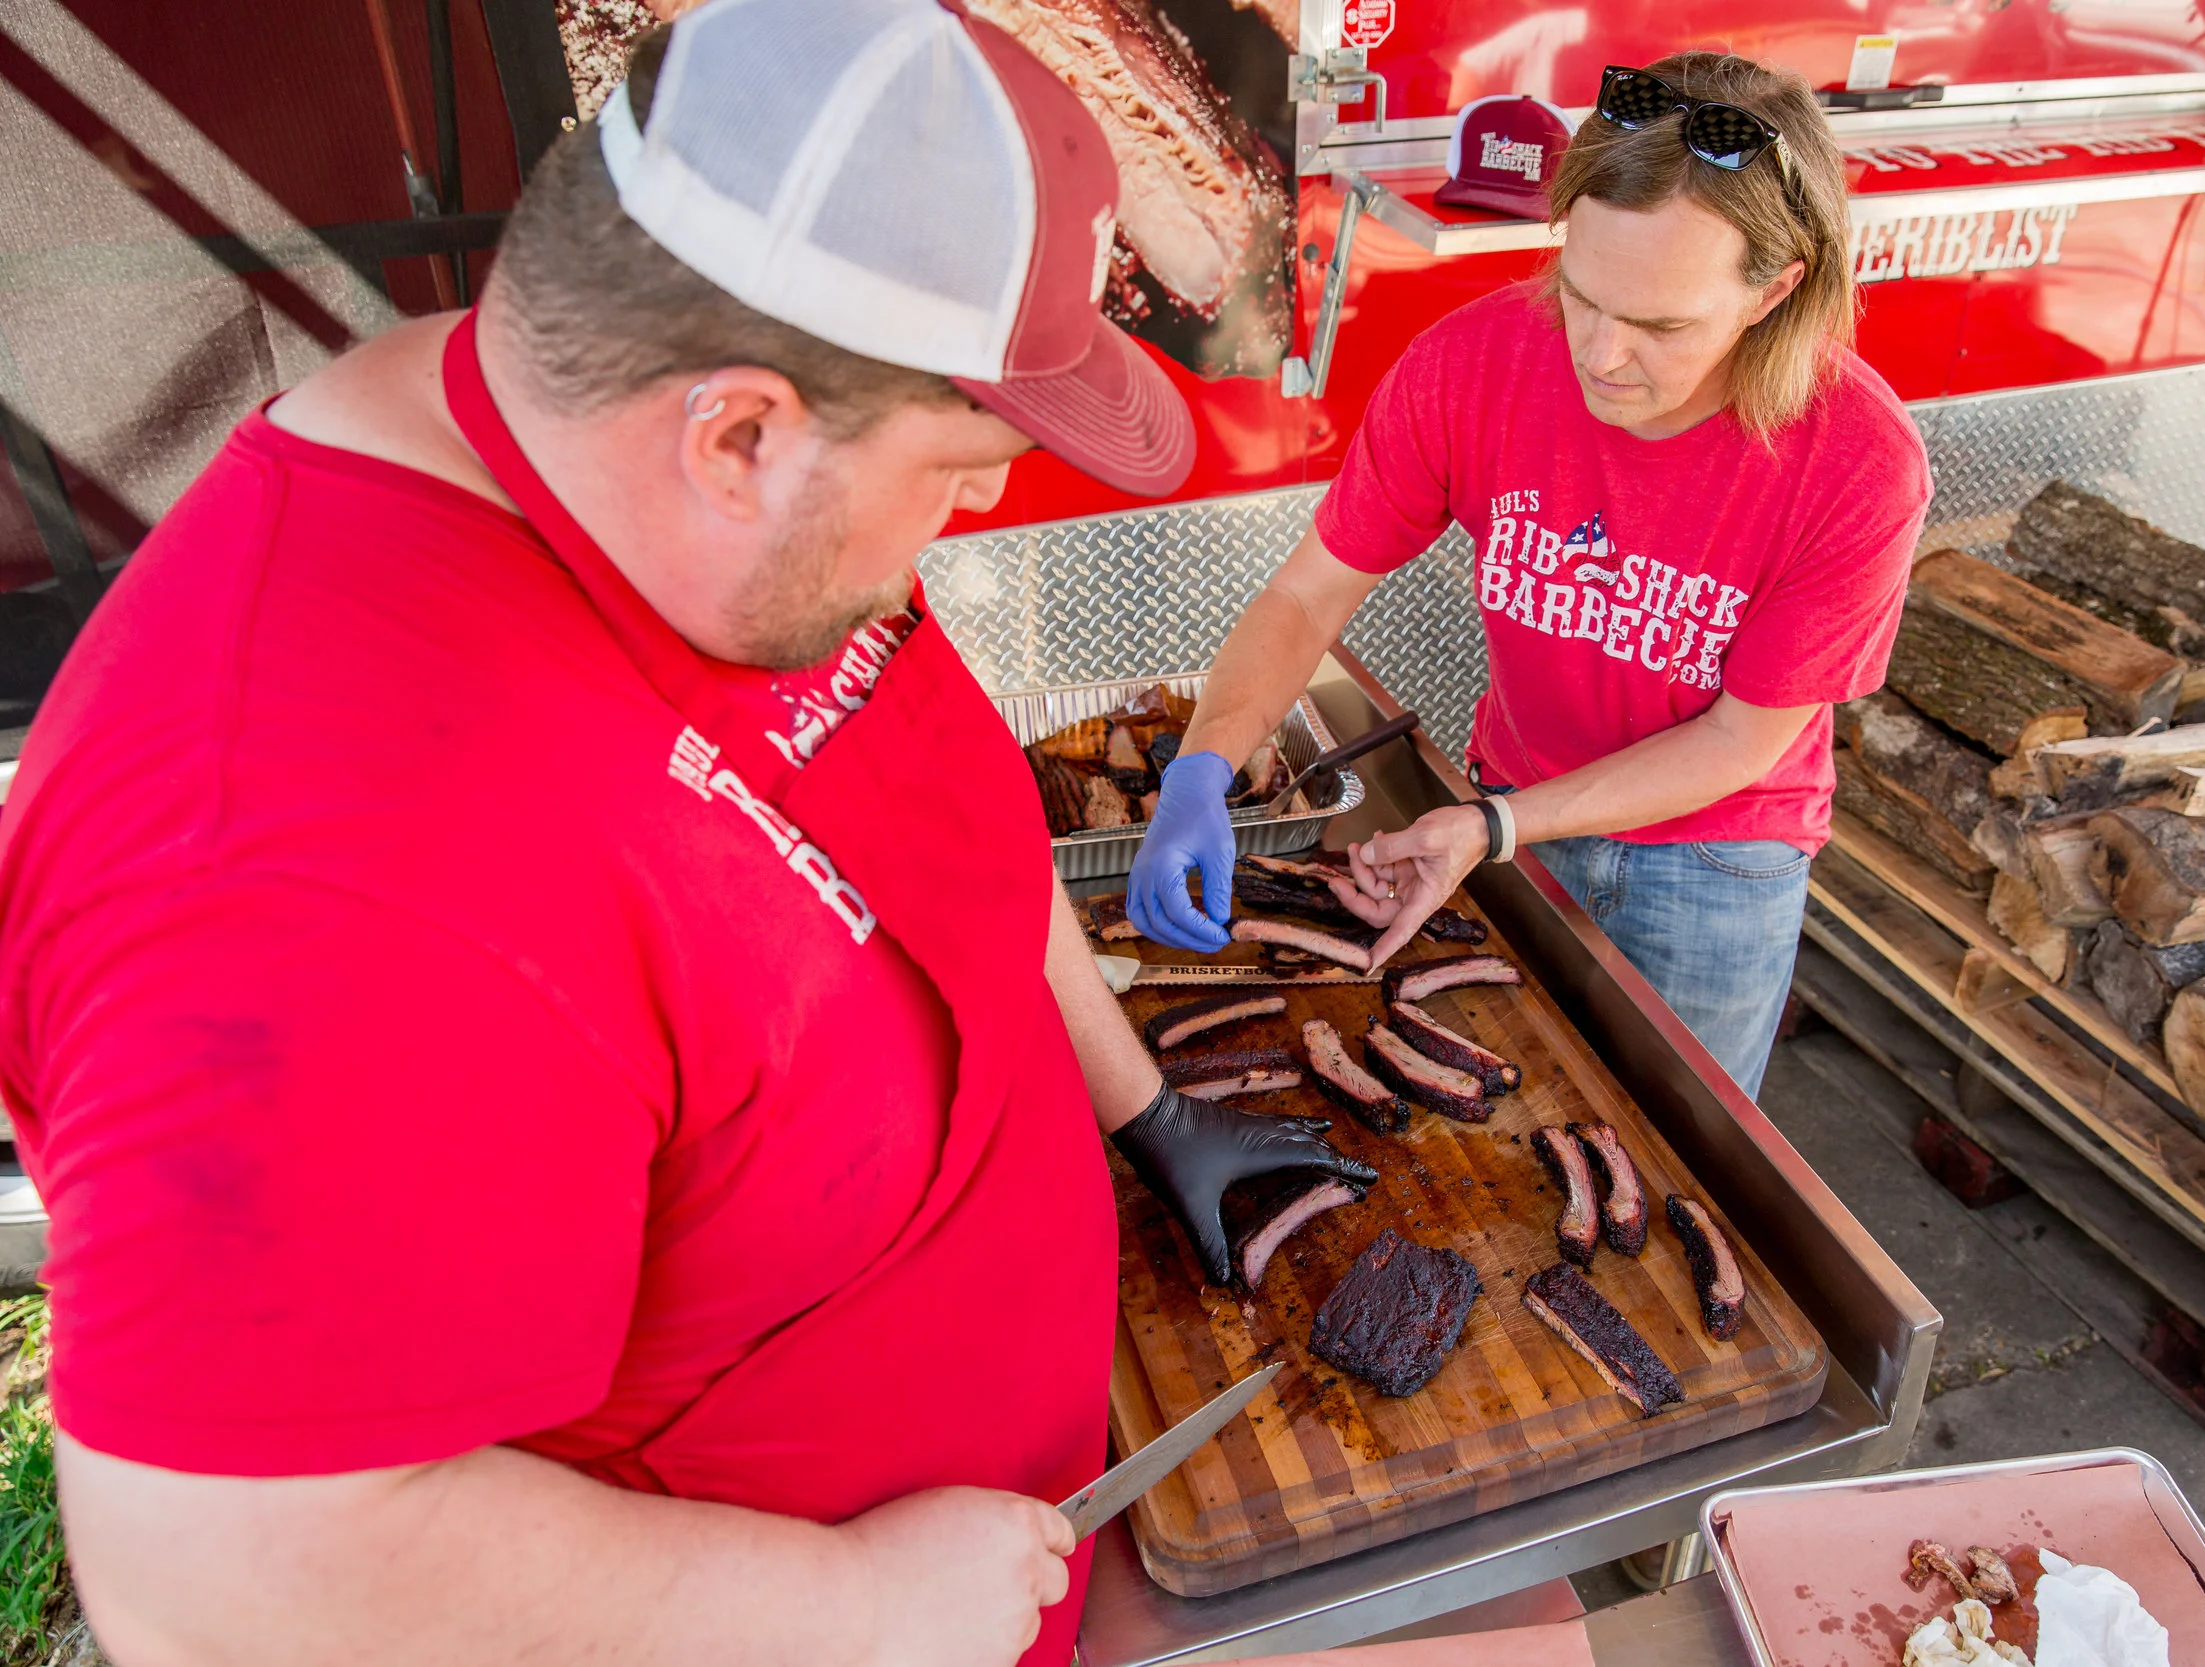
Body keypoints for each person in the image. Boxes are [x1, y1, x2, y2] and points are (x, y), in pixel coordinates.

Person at [0, 5, 1372, 1664]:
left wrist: (1140, 1108)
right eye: (962, 465)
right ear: (738, 435)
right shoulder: (298, 854)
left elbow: (934, 825)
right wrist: (847, 1608)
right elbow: (226, 1579)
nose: (987, 505)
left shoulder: (662, 494)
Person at [1129, 51, 1933, 1100]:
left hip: (1714, 863)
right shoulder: (1474, 363)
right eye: (1583, 293)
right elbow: (1306, 593)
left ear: (1775, 291)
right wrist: (1203, 765)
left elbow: (1744, 737)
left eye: (1660, 325)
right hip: (1507, 793)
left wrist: (1495, 825)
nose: (1600, 353)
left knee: (1675, 1146)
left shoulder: (1857, 460)